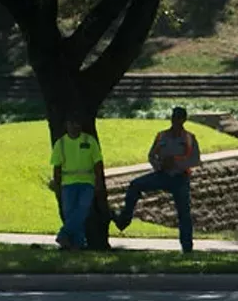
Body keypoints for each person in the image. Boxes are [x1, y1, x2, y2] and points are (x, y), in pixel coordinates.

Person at [115, 106, 202, 252]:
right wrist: (159, 165)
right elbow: (151, 155)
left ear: (184, 120)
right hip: (162, 174)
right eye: (174, 118)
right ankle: (123, 220)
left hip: (180, 178)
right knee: (135, 185)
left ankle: (187, 247)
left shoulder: (189, 138)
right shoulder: (161, 136)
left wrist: (176, 162)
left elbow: (195, 160)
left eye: (179, 119)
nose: (176, 122)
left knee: (184, 212)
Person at [49, 117, 106, 250]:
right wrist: (57, 184)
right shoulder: (61, 143)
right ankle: (77, 244)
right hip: (68, 184)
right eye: (71, 123)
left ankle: (63, 235)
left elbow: (98, 163)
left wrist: (98, 182)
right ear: (66, 125)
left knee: (82, 210)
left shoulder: (89, 141)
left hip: (87, 183)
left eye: (77, 123)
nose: (74, 126)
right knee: (71, 213)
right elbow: (57, 166)